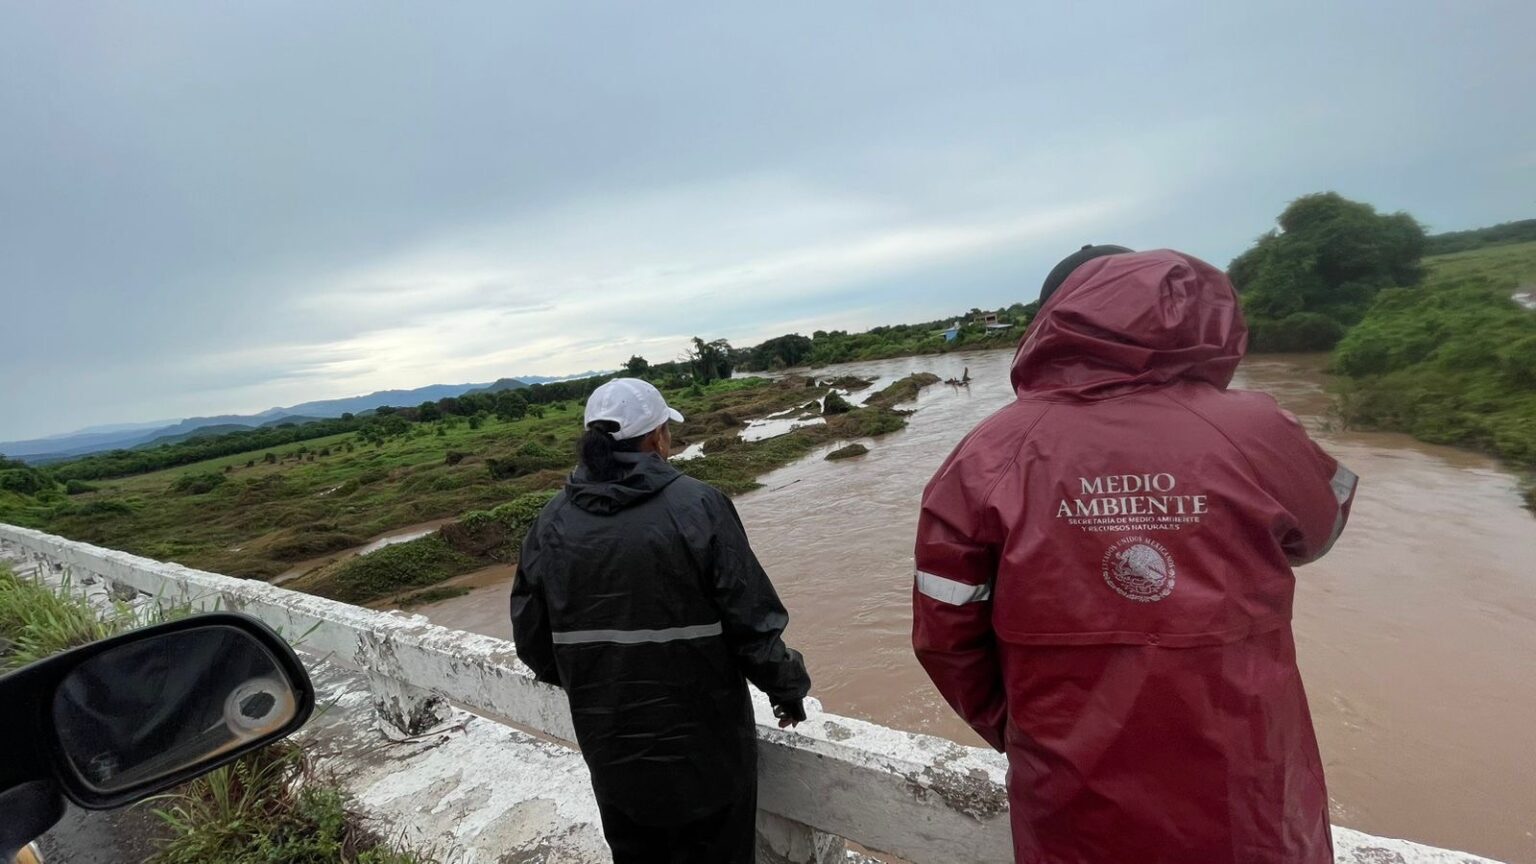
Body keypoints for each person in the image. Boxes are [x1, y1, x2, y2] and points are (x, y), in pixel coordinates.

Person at [913, 246, 1357, 864]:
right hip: (1250, 784)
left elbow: (944, 635)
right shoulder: (1256, 428)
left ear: (1049, 322)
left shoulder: (987, 453)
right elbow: (1320, 531)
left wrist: (1025, 731)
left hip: (1072, 793)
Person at [511, 377, 811, 864]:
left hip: (611, 749)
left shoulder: (551, 521)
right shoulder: (697, 505)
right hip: (707, 749)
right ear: (656, 438)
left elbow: (533, 641)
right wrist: (788, 687)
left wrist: (598, 681)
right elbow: (752, 621)